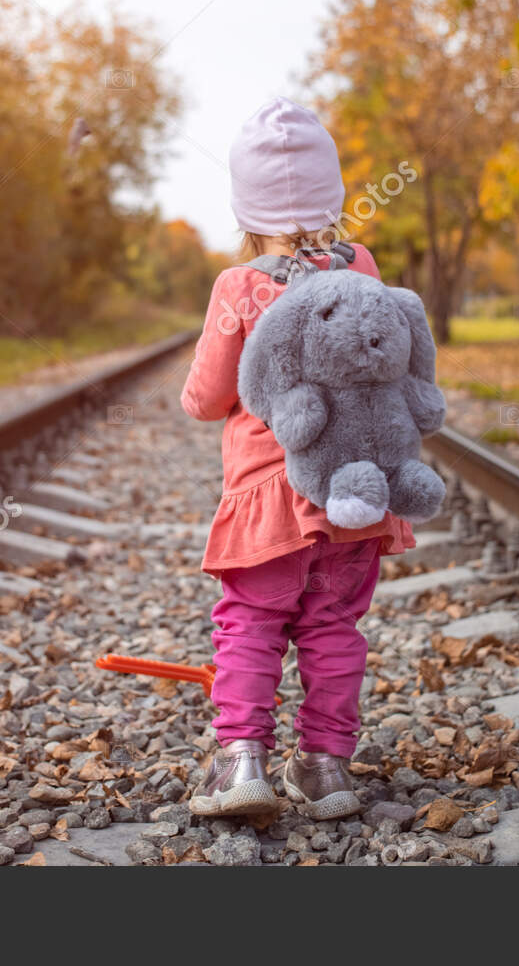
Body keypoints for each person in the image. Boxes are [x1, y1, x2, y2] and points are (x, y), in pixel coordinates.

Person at [179, 96, 417, 820]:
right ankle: (325, 768)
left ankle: (242, 759)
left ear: (246, 209)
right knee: (333, 626)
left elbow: (207, 396)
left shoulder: (238, 286)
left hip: (268, 501)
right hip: (352, 492)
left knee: (251, 622)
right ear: (332, 194)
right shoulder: (363, 268)